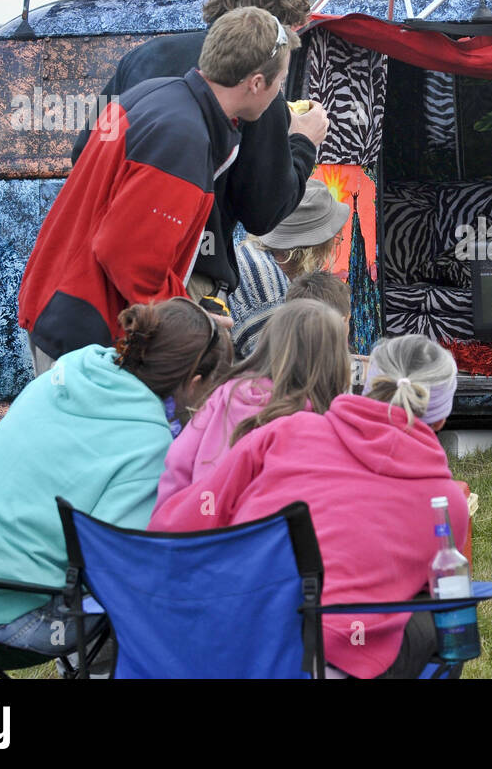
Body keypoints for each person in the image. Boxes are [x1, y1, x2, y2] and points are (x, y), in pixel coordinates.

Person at [150, 334, 467, 679]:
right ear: (440, 420)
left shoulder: (285, 431)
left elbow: (185, 523)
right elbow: (434, 582)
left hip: (228, 640)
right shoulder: (446, 501)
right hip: (331, 659)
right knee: (450, 612)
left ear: (369, 384)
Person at [18, 6, 292, 371]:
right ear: (257, 83)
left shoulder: (156, 95)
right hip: (89, 335)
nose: (279, 94)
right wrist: (195, 325)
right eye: (280, 83)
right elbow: (130, 257)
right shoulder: (182, 137)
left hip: (63, 307)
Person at [0, 298, 230, 652]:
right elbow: (119, 571)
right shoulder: (149, 443)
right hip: (5, 616)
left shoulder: (67, 372)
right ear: (195, 382)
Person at [72, 0, 330, 316]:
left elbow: (84, 152)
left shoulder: (142, 58)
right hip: (180, 283)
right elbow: (264, 211)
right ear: (273, 28)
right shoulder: (258, 90)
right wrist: (303, 142)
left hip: (100, 274)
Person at [152, 298, 350, 513]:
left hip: (196, 523)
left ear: (267, 342)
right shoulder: (313, 426)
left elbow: (179, 459)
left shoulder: (226, 392)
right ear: (335, 364)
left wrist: (171, 517)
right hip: (252, 537)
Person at [228, 179, 350, 358]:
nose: (335, 243)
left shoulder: (254, 254)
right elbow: (275, 371)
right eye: (333, 238)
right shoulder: (267, 290)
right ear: (313, 249)